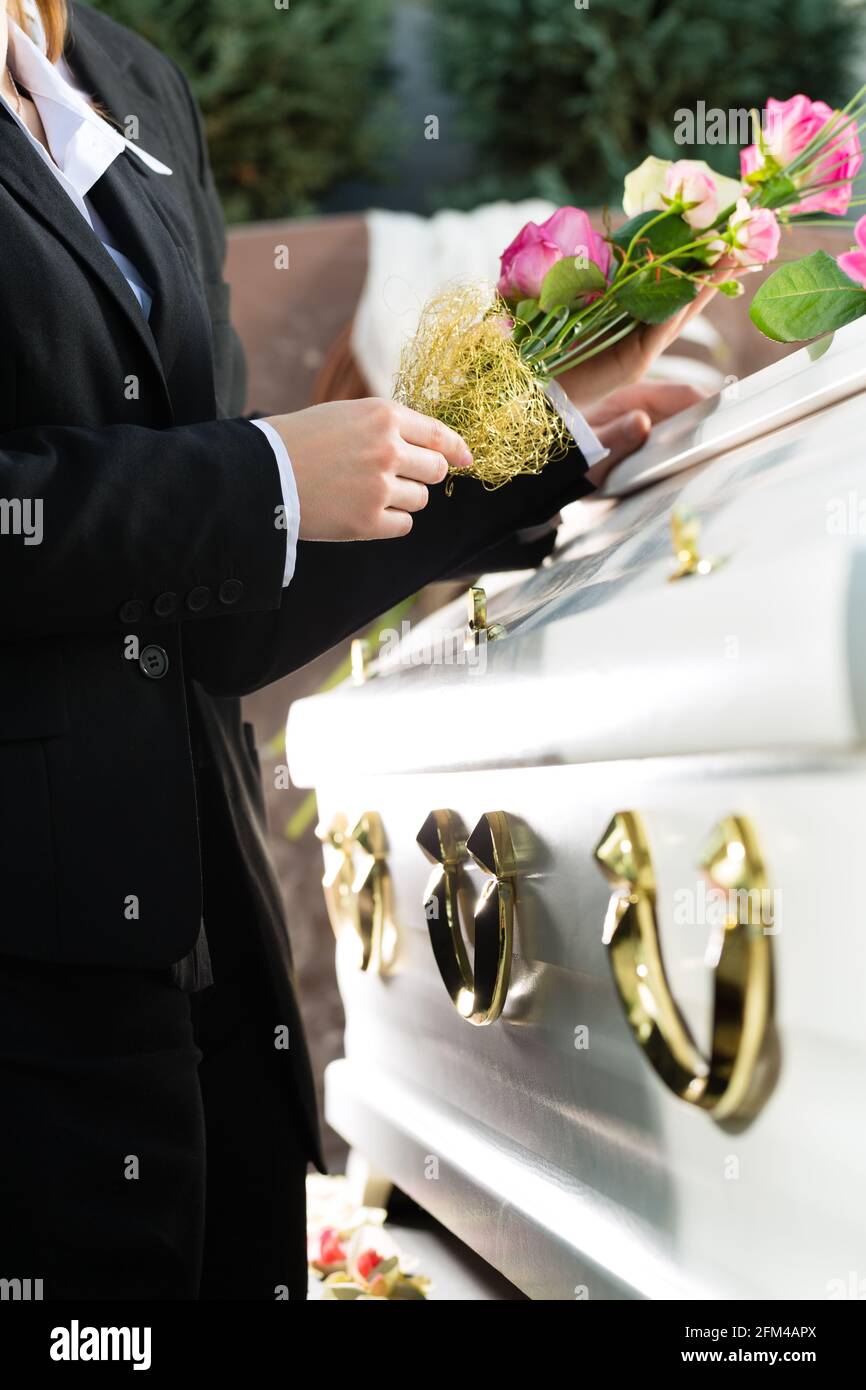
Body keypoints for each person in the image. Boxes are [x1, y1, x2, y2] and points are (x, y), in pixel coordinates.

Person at [0, 0, 707, 1300]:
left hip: (205, 981)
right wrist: (256, 474)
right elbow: (223, 494)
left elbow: (209, 608)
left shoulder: (127, 77)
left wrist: (542, 438)